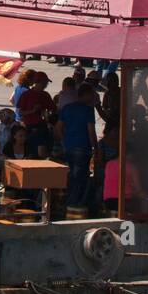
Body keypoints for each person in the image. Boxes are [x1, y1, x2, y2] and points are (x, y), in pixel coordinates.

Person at [55, 83, 97, 211]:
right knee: (79, 177)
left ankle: (70, 202)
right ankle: (73, 203)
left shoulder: (67, 108)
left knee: (72, 175)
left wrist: (64, 141)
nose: (94, 96)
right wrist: (96, 148)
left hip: (69, 147)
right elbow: (91, 131)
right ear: (85, 94)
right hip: (82, 147)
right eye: (92, 94)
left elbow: (58, 127)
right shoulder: (88, 110)